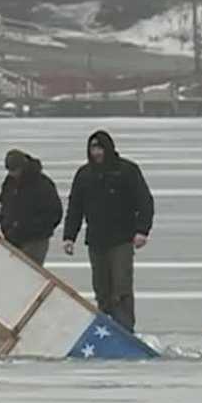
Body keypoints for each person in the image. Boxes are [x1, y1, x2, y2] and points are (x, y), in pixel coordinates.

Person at [62, 130, 154, 333]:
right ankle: (106, 328)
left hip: (121, 238)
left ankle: (125, 329)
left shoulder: (127, 171)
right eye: (93, 148)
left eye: (100, 148)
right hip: (96, 240)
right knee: (101, 288)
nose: (96, 153)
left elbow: (144, 201)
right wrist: (69, 236)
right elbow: (75, 206)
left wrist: (142, 230)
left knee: (121, 286)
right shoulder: (84, 175)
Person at [0, 148, 63, 265]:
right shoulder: (9, 183)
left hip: (35, 242)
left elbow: (55, 213)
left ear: (23, 167)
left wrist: (36, 229)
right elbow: (4, 205)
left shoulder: (42, 184)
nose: (12, 174)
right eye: (10, 170)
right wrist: (6, 227)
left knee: (30, 275)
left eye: (15, 170)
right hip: (12, 239)